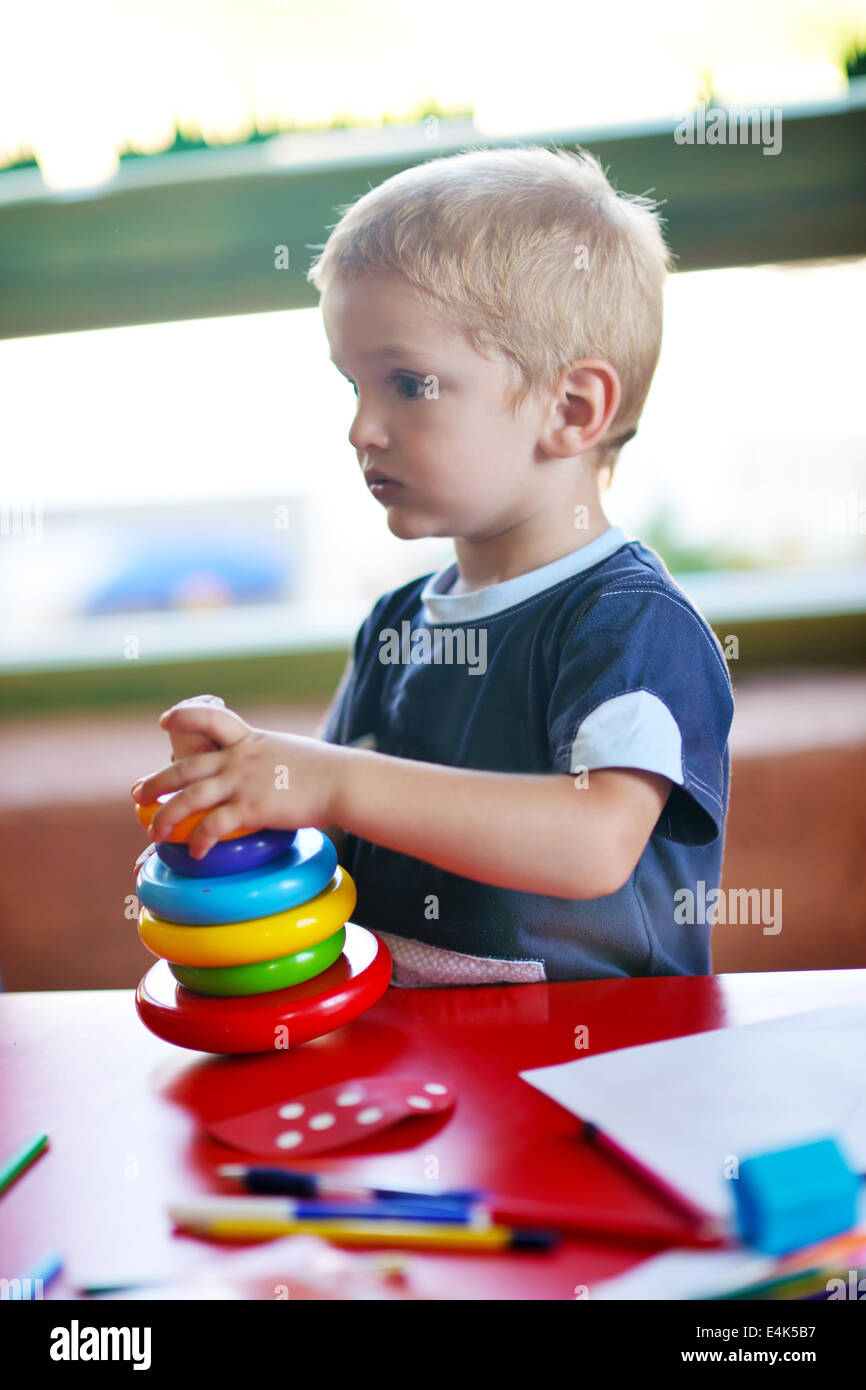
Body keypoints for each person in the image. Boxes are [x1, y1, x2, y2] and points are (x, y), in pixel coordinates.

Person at [131, 145, 733, 986]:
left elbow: (595, 842)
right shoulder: (395, 623)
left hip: (601, 1068)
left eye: (408, 385)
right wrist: (246, 795)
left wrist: (333, 781)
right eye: (354, 388)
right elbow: (340, 826)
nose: (361, 430)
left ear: (571, 409)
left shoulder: (631, 623)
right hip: (413, 1068)